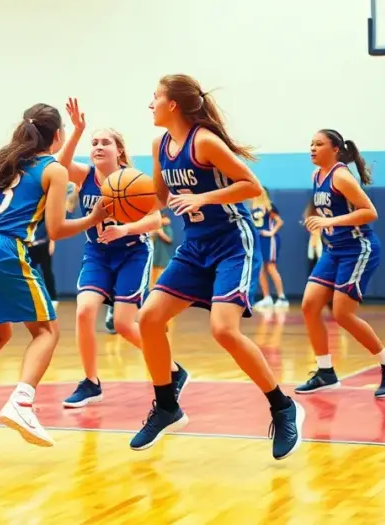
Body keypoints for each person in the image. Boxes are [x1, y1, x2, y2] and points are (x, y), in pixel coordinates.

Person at [130, 74, 302, 460]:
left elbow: (251, 185)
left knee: (223, 329)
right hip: (194, 247)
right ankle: (167, 406)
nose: (150, 103)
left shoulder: (204, 142)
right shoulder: (160, 145)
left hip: (231, 242)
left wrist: (203, 197)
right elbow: (157, 199)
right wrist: (115, 194)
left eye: (155, 97)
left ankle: (282, 406)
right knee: (149, 319)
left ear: (172, 104)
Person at [0, 102, 108, 447]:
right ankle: (22, 402)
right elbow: (54, 229)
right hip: (5, 250)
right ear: (56, 136)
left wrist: (77, 135)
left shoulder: (7, 162)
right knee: (47, 331)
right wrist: (92, 218)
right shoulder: (54, 170)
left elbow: (55, 163)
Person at [54, 97, 185, 409]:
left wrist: (124, 229)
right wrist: (77, 131)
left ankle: (172, 370)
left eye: (106, 143)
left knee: (126, 325)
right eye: (94, 142)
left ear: (119, 151)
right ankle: (90, 382)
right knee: (85, 311)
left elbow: (155, 219)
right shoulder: (84, 176)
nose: (98, 147)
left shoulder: (132, 180)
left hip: (132, 253)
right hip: (97, 253)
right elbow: (58, 165)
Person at [295, 129, 385, 400]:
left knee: (342, 314)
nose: (312, 148)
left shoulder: (341, 176)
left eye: (319, 144)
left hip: (359, 249)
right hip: (333, 250)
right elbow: (327, 210)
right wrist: (317, 222)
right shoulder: (317, 176)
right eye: (310, 144)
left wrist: (330, 222)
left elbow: (370, 212)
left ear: (335, 149)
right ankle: (325, 371)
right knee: (309, 305)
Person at [251, 187, 288, 309]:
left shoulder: (269, 205)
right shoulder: (252, 206)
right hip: (258, 238)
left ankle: (282, 297)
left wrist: (271, 232)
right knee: (260, 269)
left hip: (269, 240)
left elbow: (279, 221)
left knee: (271, 267)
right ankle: (267, 297)